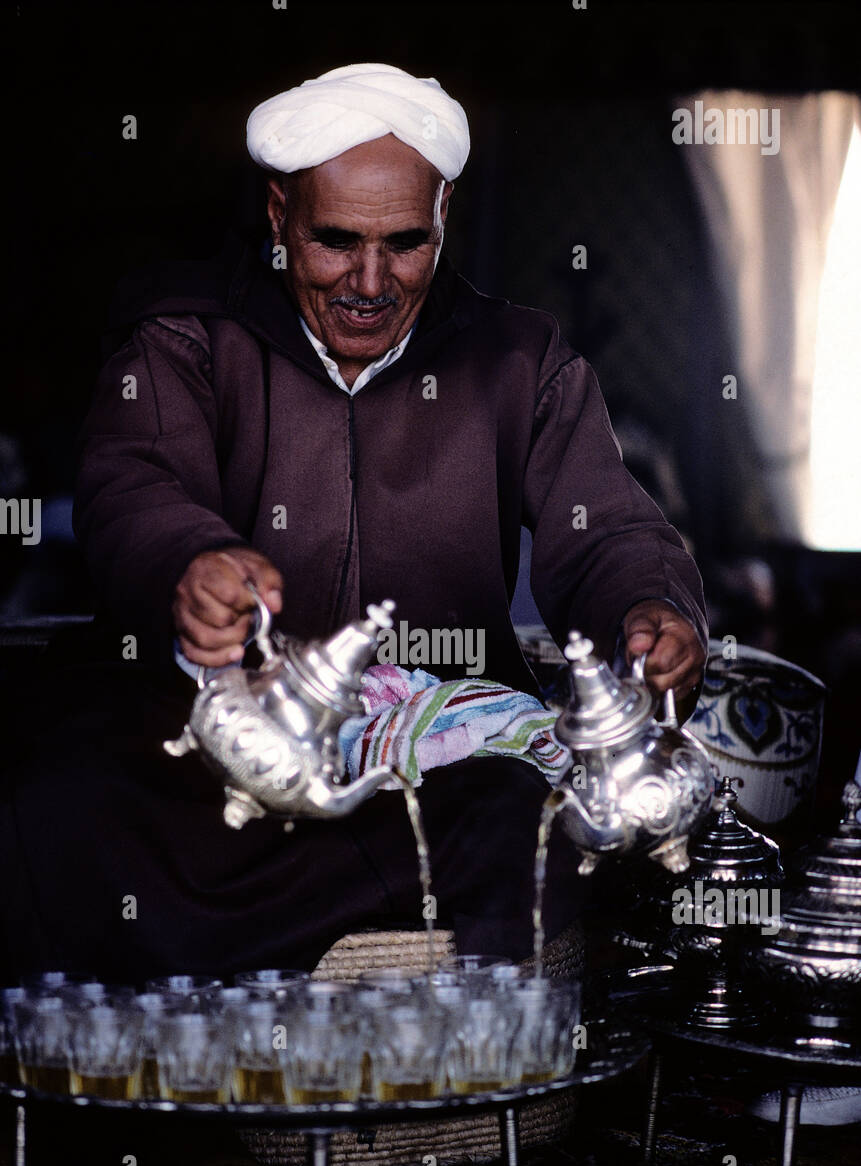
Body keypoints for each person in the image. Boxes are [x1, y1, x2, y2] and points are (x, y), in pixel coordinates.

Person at [2, 61, 707, 985]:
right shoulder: (185, 338)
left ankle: (439, 1071)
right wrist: (193, 563)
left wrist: (652, 607)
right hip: (225, 751)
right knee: (55, 802)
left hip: (436, 769)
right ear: (278, 216)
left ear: (444, 213)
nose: (369, 281)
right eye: (335, 241)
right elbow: (134, 488)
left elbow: (608, 527)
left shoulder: (518, 359)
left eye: (404, 242)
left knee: (523, 817)